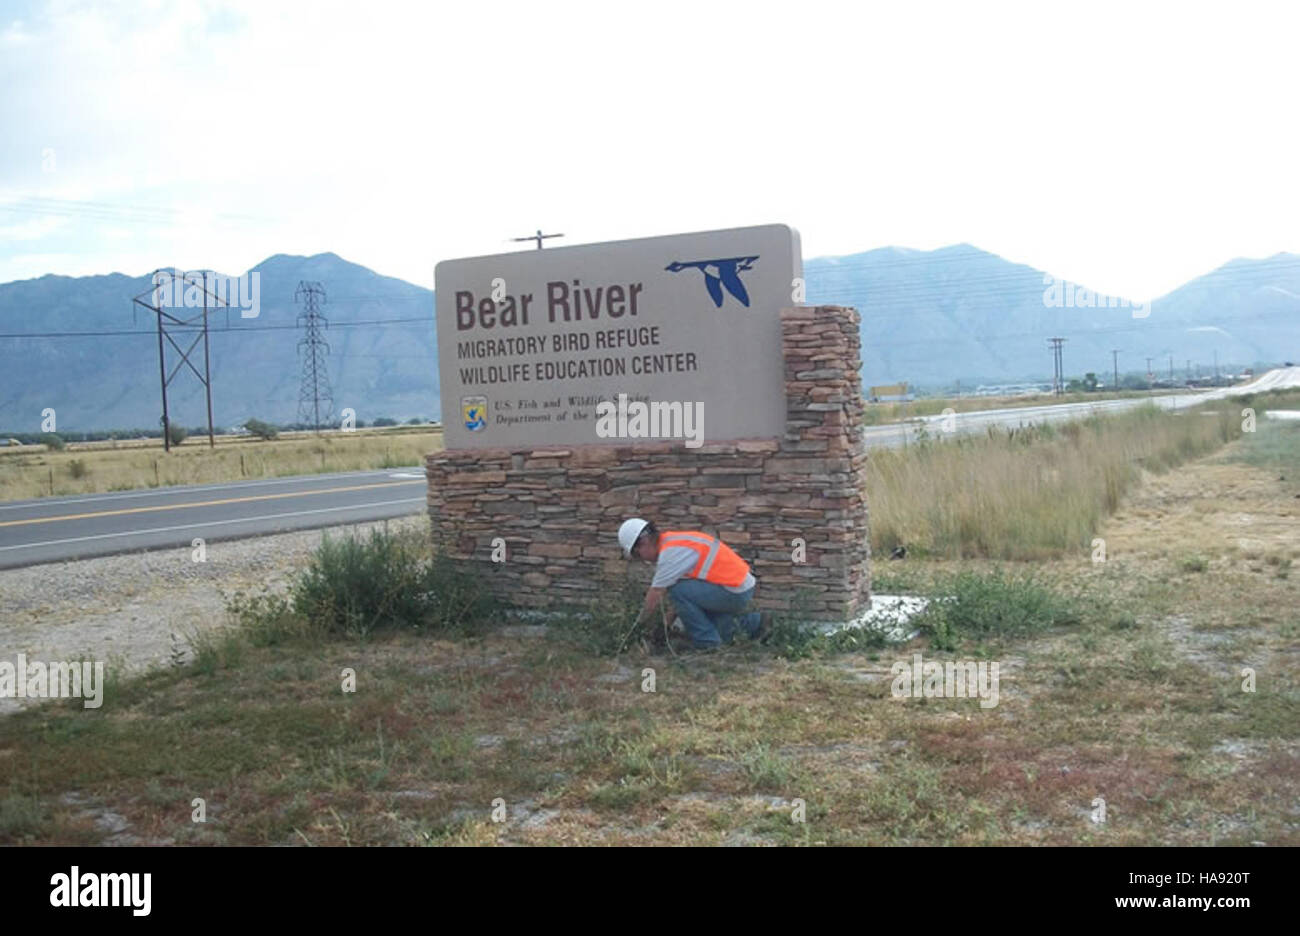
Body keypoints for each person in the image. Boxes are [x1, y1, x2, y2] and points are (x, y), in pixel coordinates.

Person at [618, 517, 773, 650]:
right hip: (736, 587)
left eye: (637, 554)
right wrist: (666, 623)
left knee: (678, 590)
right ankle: (756, 623)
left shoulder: (669, 555)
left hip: (733, 590)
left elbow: (657, 595)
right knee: (712, 624)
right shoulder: (672, 542)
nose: (642, 559)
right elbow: (685, 600)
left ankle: (707, 643)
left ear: (643, 542)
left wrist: (637, 628)